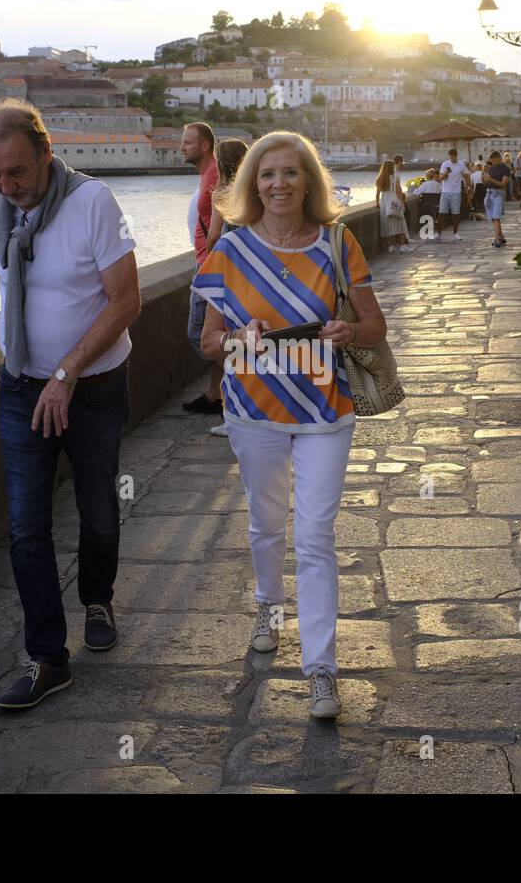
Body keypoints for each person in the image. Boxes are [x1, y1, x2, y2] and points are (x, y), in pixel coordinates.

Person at [192, 131, 389, 719]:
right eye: (267, 174)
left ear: (309, 182)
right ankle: (267, 603)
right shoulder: (228, 251)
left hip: (326, 411)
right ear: (252, 183)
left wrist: (349, 331)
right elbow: (207, 343)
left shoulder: (337, 242)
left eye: (290, 174)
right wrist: (236, 338)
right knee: (266, 524)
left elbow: (376, 326)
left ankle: (321, 667)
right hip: (253, 411)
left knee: (315, 535)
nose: (279, 184)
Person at [0, 99, 142, 710]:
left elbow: (125, 301)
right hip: (23, 388)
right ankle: (48, 658)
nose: (6, 186)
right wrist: (39, 371)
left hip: (92, 386)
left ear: (45, 153)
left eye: (16, 171)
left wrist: (68, 371)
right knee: (25, 527)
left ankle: (97, 597)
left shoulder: (92, 203)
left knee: (98, 510)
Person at [202, 136, 249, 437]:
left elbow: (212, 239)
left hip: (228, 276)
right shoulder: (252, 192)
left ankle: (234, 414)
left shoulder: (222, 192)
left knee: (216, 340)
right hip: (253, 275)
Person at [181, 122, 222, 418]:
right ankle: (215, 395)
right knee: (215, 331)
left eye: (187, 142)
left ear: (204, 145)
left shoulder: (216, 175)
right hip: (206, 262)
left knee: (199, 333)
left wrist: (208, 263)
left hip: (210, 267)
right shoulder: (207, 174)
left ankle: (246, 379)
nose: (181, 147)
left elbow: (219, 227)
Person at [375, 160, 408, 250]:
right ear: (392, 167)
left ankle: (391, 246)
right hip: (394, 202)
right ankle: (402, 246)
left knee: (387, 225)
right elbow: (398, 191)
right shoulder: (394, 177)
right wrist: (402, 203)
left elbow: (377, 194)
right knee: (400, 223)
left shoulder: (379, 179)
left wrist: (377, 203)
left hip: (384, 204)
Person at [483, 151, 512, 247]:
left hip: (498, 194)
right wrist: (485, 180)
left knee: (496, 217)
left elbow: (503, 184)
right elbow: (488, 183)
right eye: (492, 161)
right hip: (489, 193)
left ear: (500, 158)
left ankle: (497, 239)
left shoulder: (506, 169)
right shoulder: (491, 168)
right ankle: (501, 237)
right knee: (492, 217)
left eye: (495, 161)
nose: (494, 163)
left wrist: (490, 179)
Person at [437, 148, 465, 242]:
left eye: (453, 156)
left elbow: (466, 175)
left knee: (455, 214)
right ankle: (439, 233)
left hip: (456, 192)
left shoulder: (461, 164)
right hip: (445, 192)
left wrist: (468, 186)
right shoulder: (445, 164)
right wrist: (446, 173)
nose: (452, 158)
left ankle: (455, 233)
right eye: (450, 156)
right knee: (442, 213)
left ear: (456, 155)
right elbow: (440, 178)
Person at [417, 168, 442, 238]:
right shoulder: (437, 184)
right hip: (437, 205)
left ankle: (424, 227)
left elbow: (416, 192)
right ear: (433, 176)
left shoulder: (425, 184)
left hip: (426, 206)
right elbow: (442, 192)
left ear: (427, 177)